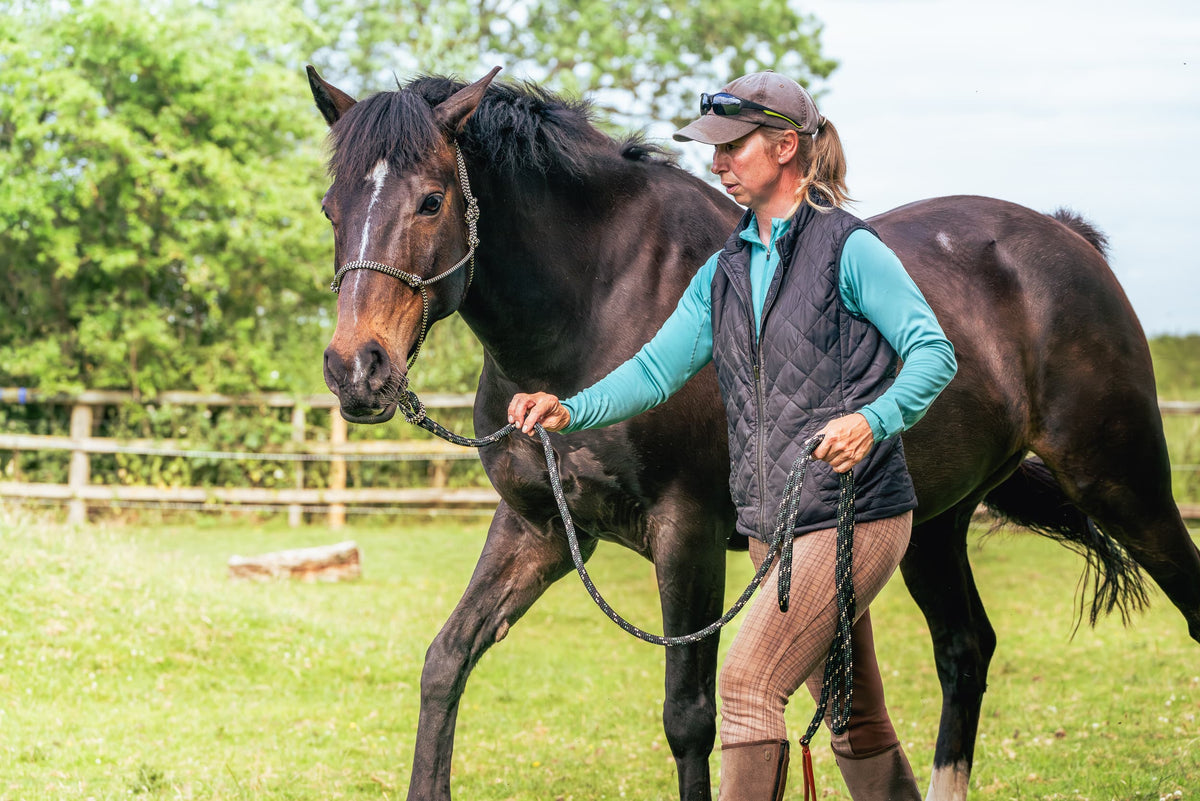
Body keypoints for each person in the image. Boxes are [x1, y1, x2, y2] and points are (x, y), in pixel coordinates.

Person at [508, 71, 957, 801]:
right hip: (770, 522)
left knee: (747, 684)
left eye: (731, 147)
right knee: (850, 715)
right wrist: (570, 408)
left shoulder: (852, 249)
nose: (716, 164)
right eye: (711, 150)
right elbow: (655, 370)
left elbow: (934, 353)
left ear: (786, 146)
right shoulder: (724, 271)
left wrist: (872, 420)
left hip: (855, 515)